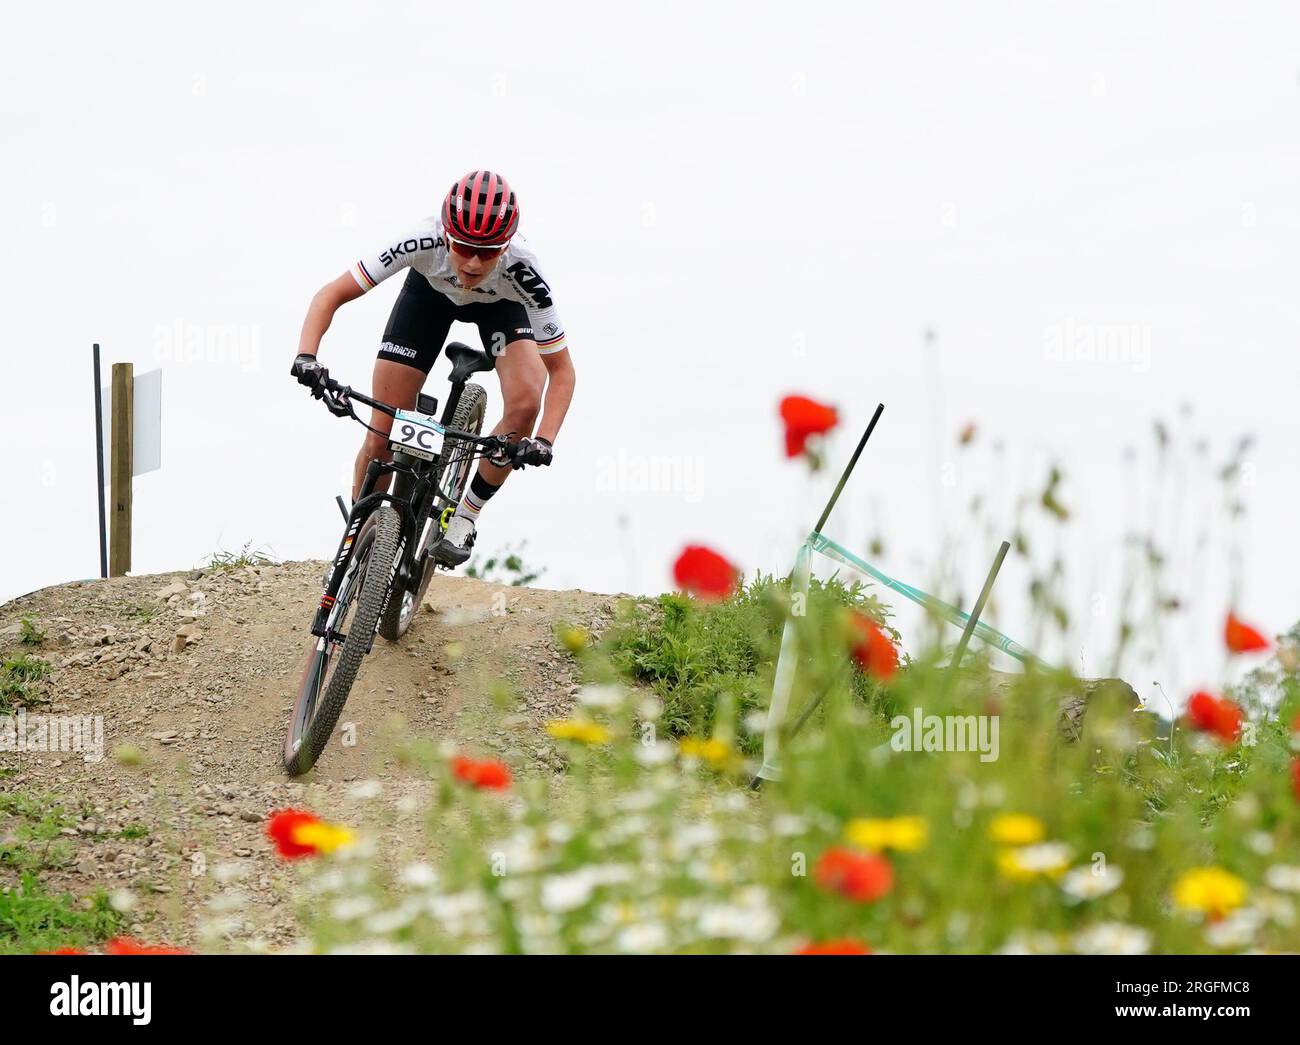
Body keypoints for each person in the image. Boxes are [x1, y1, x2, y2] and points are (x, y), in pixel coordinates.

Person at [289, 170, 575, 565]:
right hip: (429, 298)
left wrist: (544, 439)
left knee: (526, 403)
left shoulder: (525, 270)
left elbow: (561, 371)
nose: (474, 262)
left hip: (502, 309)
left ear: (507, 246)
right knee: (380, 436)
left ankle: (464, 517)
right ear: (445, 235)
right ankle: (354, 543)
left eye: (489, 251)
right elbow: (331, 294)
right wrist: (307, 356)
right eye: (463, 247)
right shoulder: (419, 241)